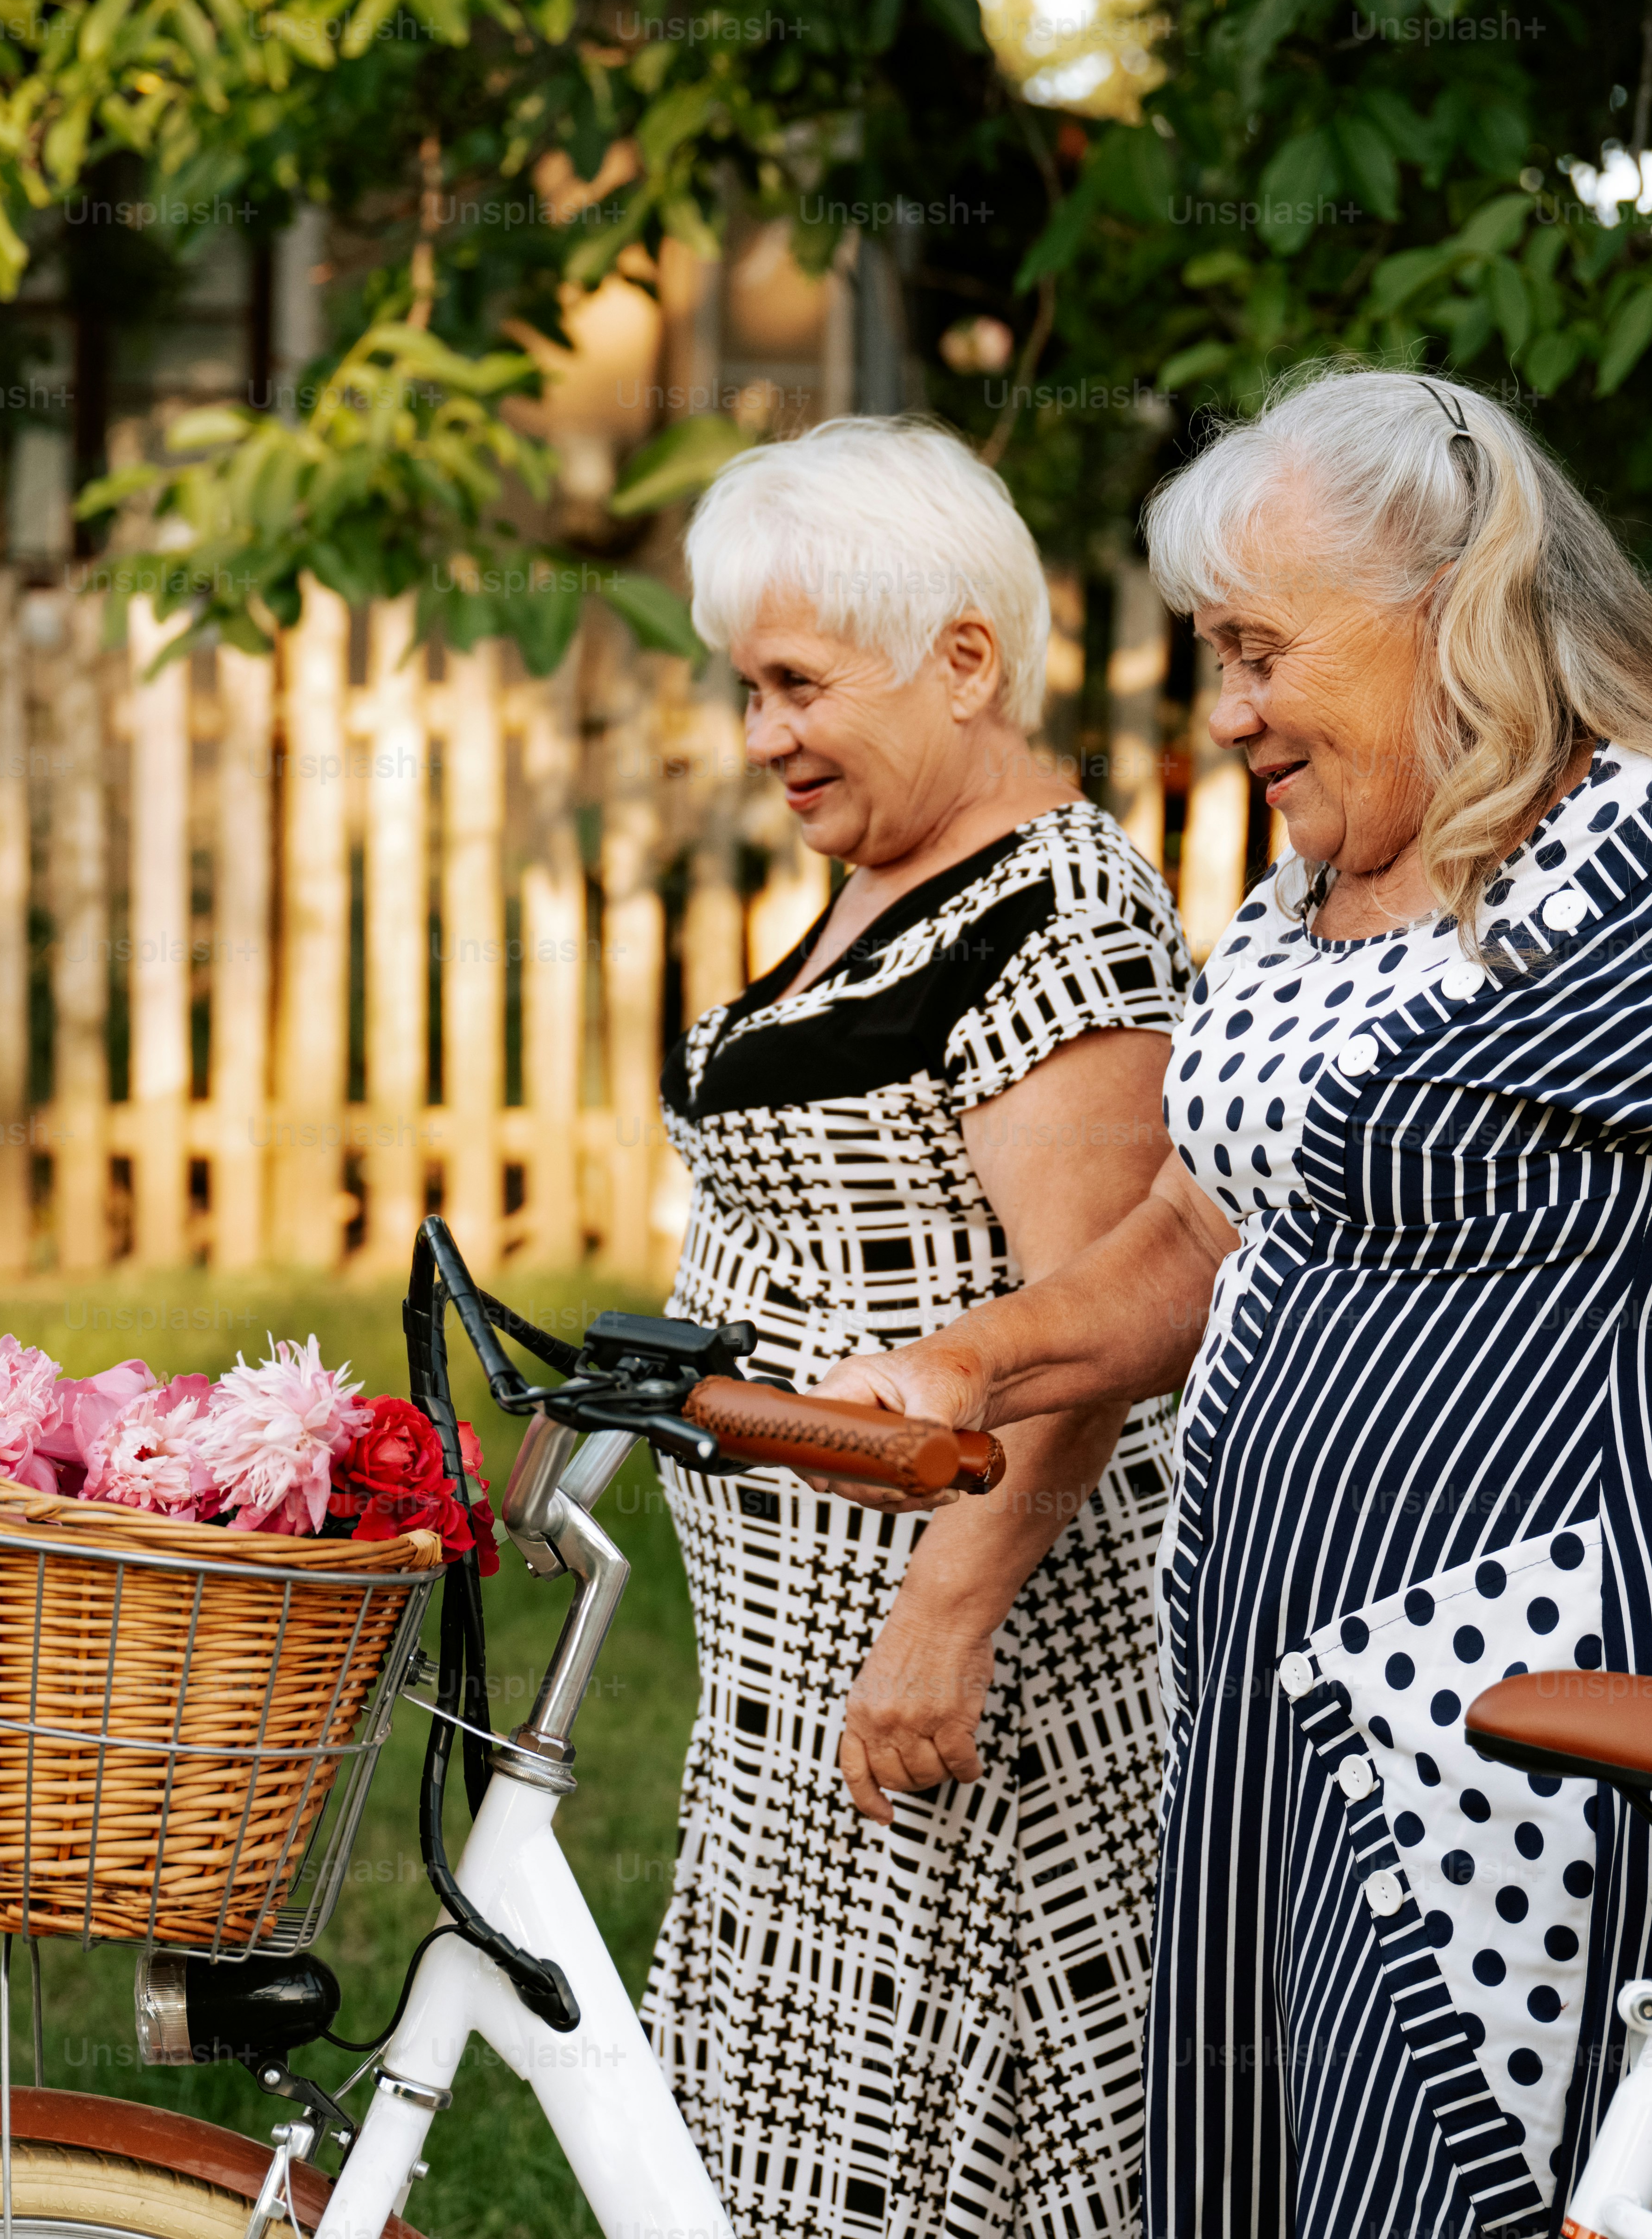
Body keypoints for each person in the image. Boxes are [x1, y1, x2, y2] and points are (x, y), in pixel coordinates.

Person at [819, 367, 1652, 2239]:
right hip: (1274, 1721)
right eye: (1210, 654)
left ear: (1446, 610)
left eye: (1257, 651)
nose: (1226, 709)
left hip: (1538, 1725)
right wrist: (971, 1359)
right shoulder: (1301, 900)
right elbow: (1195, 1234)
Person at [644, 415, 1187, 2239]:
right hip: (798, 1664)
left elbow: (1110, 1314)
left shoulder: (1057, 912)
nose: (765, 735)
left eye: (798, 684)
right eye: (748, 689)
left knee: (961, 2160)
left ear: (963, 660)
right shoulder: (883, 881)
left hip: (976, 1679)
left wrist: (943, 1625)